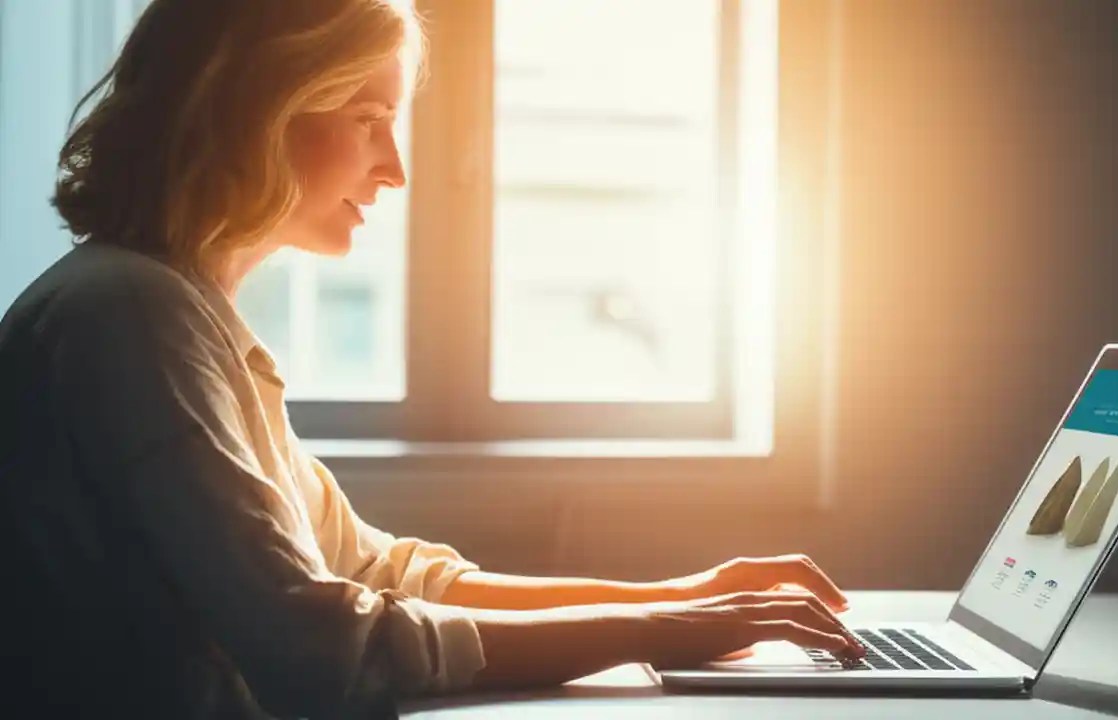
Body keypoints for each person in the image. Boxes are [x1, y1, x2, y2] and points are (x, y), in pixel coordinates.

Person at [0, 0, 864, 717]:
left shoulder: (173, 309)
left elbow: (378, 573)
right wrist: (659, 630)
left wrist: (688, 599)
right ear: (253, 110)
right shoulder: (131, 317)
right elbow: (321, 646)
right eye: (369, 119)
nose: (397, 170)